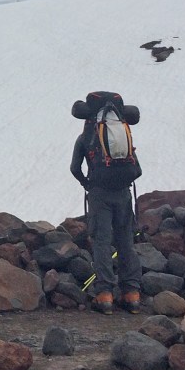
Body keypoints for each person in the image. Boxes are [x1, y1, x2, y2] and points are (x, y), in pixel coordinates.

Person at [70, 113, 143, 315]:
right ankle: (132, 294)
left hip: (99, 195)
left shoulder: (86, 138)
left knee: (101, 241)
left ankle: (105, 295)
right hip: (123, 194)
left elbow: (75, 168)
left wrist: (88, 183)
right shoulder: (121, 136)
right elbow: (137, 171)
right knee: (125, 240)